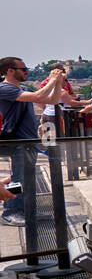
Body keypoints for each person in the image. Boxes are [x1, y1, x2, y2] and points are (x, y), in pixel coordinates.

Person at [1, 58, 67, 227]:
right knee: (20, 177)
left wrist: (58, 82)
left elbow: (51, 101)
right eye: (23, 69)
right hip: (18, 141)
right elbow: (39, 95)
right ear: (10, 70)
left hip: (28, 141)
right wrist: (52, 79)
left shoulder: (23, 88)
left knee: (27, 178)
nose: (27, 72)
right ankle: (10, 212)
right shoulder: (4, 88)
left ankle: (26, 210)